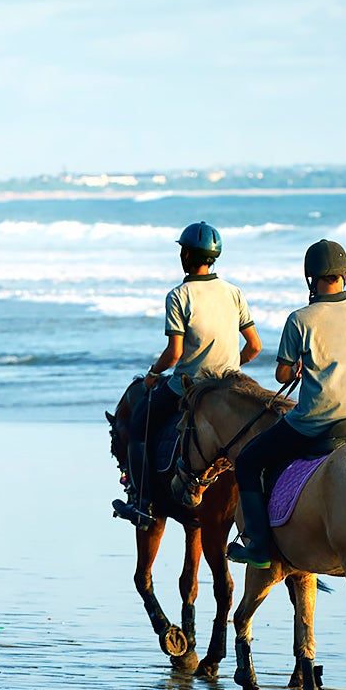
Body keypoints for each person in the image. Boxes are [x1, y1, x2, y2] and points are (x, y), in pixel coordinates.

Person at [229, 239, 346, 568]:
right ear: (344, 274)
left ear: (311, 278)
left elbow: (283, 373)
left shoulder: (301, 319)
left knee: (248, 462)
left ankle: (257, 545)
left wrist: (298, 364)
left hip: (314, 423)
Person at [122, 222, 260, 526]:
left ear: (185, 255)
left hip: (190, 387)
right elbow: (254, 346)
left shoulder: (179, 295)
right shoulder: (234, 292)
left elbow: (173, 353)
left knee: (138, 423)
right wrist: (228, 366)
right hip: (229, 384)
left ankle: (142, 500)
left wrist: (152, 374)